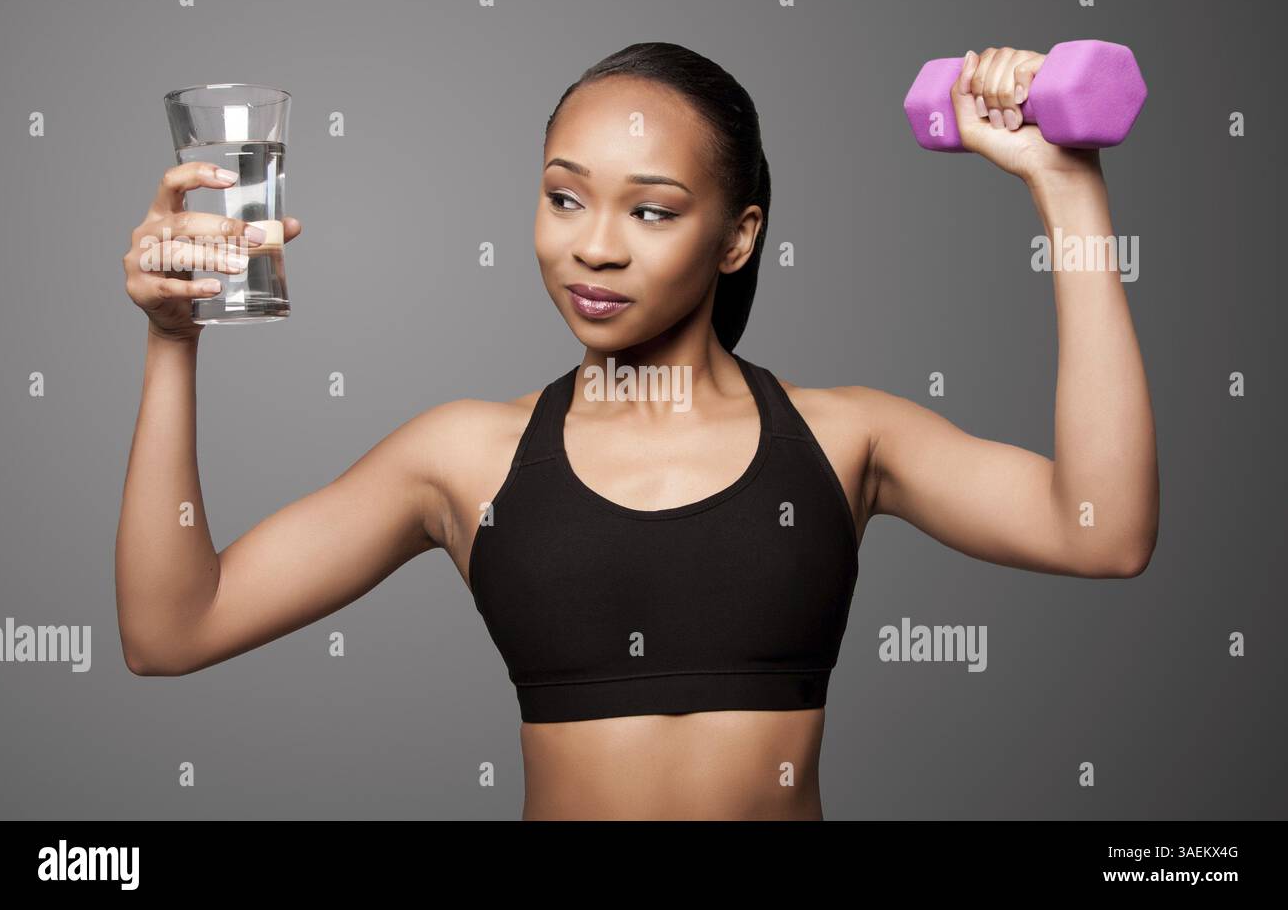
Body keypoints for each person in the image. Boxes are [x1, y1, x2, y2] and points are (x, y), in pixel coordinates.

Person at [116, 42, 1158, 820]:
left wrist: (1066, 190)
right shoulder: (462, 456)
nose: (595, 248)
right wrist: (174, 340)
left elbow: (1101, 528)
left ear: (737, 235)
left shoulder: (846, 438)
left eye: (652, 211)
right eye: (564, 198)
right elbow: (173, 628)